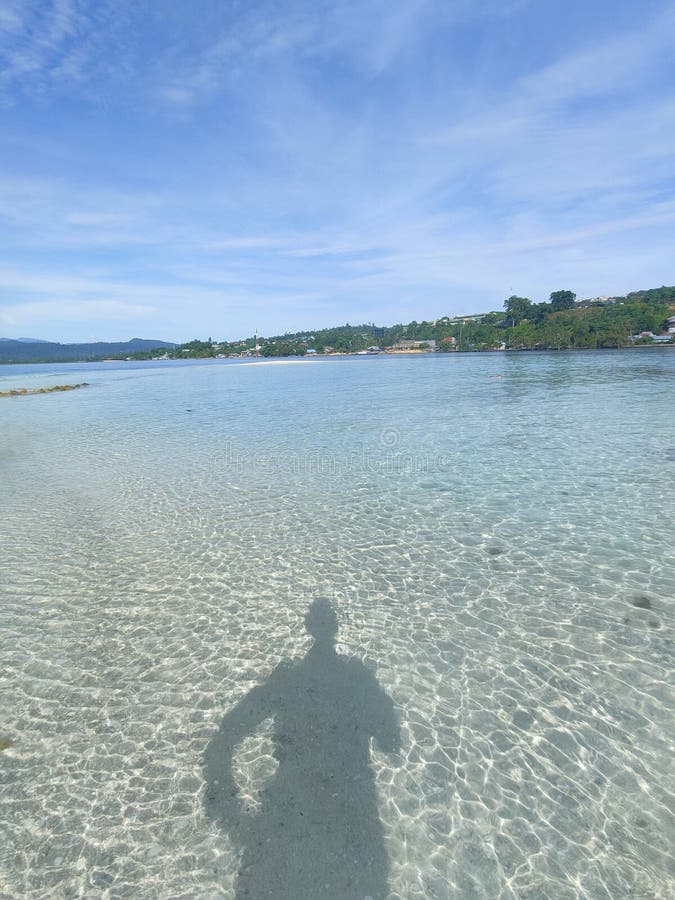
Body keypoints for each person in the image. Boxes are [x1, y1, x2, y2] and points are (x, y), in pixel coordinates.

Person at [203, 598, 401, 899]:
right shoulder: (359, 679)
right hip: (350, 806)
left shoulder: (287, 679)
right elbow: (392, 743)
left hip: (291, 801)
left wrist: (227, 800)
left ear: (308, 627)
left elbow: (230, 732)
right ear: (336, 628)